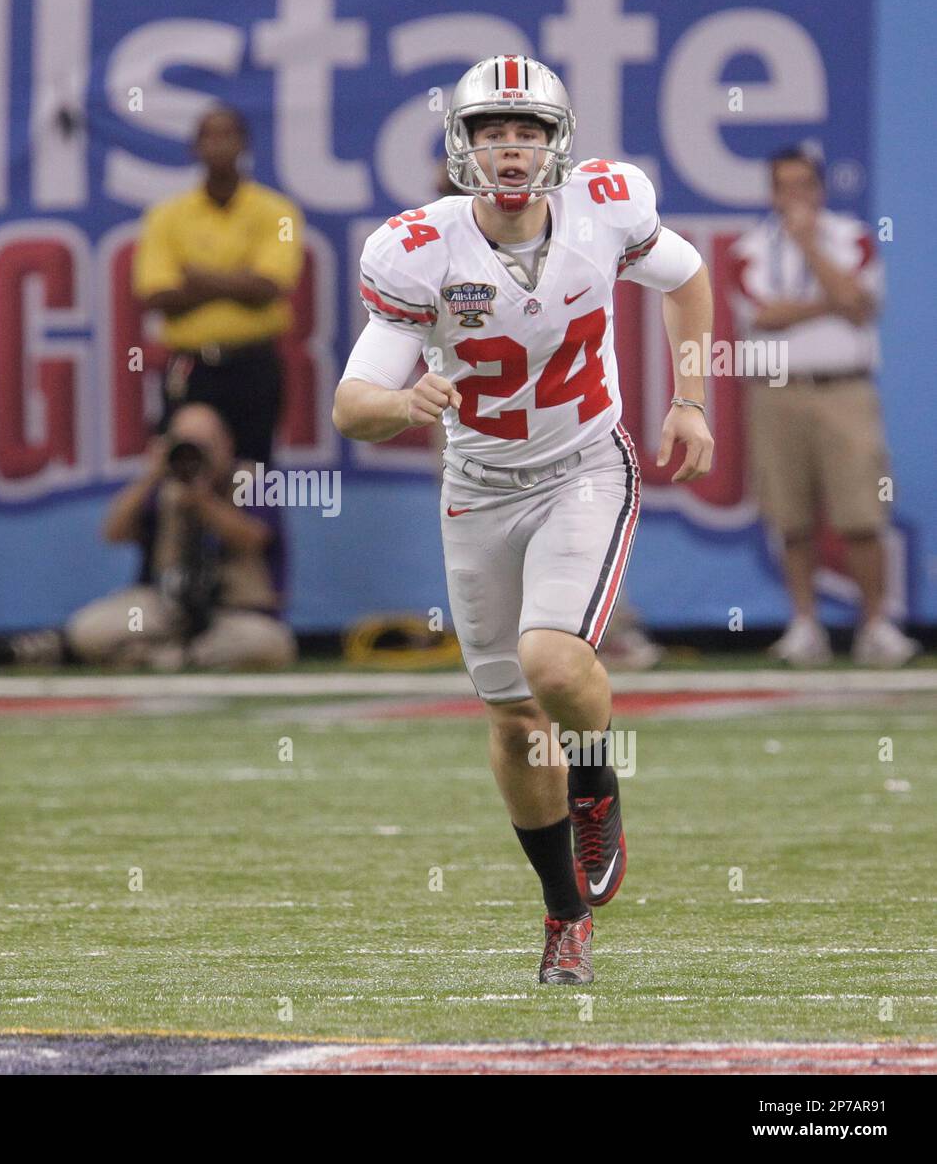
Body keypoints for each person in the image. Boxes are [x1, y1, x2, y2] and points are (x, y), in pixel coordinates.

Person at [333, 55, 715, 985]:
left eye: (528, 131)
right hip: (478, 487)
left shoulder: (608, 206)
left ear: (557, 143)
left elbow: (688, 279)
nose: (512, 148)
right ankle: (563, 914)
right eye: (493, 132)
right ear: (462, 147)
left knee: (553, 659)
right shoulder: (420, 250)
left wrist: (691, 399)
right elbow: (352, 404)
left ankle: (596, 780)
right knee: (511, 720)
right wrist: (407, 401)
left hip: (585, 463)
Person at [729, 147, 916, 667]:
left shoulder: (851, 236)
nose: (795, 196)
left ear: (820, 188)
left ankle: (876, 624)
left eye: (804, 184)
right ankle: (805, 624)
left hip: (844, 389)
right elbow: (762, 317)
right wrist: (833, 301)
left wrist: (810, 247)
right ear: (771, 192)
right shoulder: (749, 248)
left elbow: (861, 306)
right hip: (776, 390)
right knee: (790, 515)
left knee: (861, 511)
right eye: (784, 186)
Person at [133, 106, 304, 466]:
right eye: (209, 136)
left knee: (253, 472)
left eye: (228, 135)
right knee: (182, 467)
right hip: (190, 367)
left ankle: (256, 524)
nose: (219, 145)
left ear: (244, 144)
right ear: (195, 147)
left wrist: (196, 278)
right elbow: (159, 297)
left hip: (254, 363)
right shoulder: (166, 217)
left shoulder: (276, 211)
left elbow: (268, 289)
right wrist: (239, 279)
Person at [66, 403, 296, 670]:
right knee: (88, 631)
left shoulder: (251, 479)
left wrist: (203, 502)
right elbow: (113, 532)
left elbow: (254, 538)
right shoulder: (163, 485)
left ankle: (167, 658)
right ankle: (182, 658)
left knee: (269, 644)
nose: (195, 455)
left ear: (226, 443)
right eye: (185, 445)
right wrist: (151, 475)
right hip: (165, 608)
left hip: (232, 612)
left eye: (204, 445)